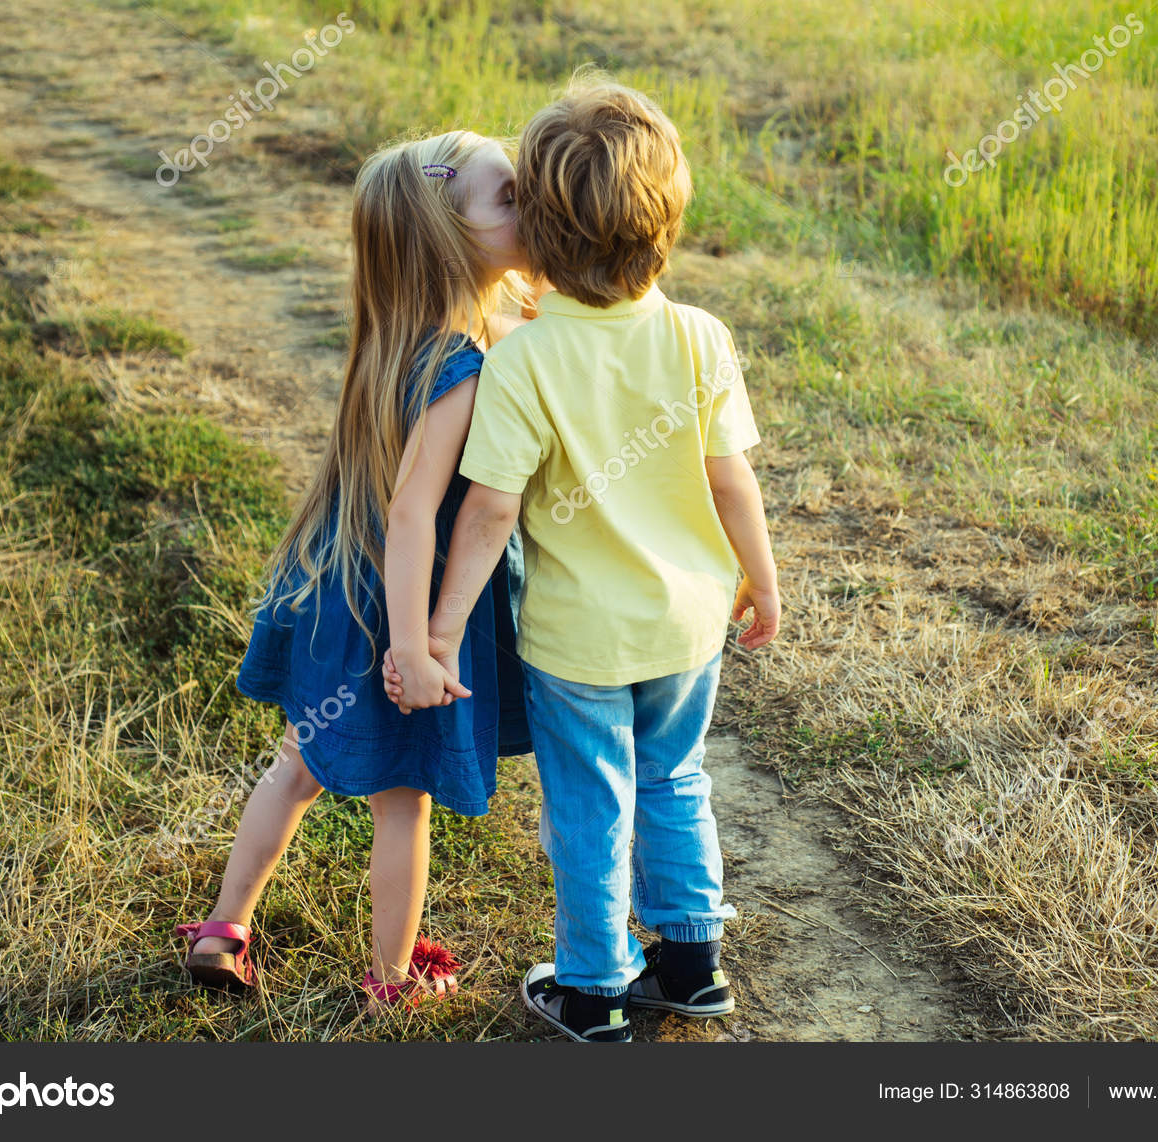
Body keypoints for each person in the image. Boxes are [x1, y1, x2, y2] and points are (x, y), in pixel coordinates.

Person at [386, 74, 781, 1041]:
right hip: (690, 621)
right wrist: (761, 582)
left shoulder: (522, 360)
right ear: (669, 220)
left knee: (589, 803)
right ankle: (692, 967)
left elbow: (488, 512)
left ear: (543, 240)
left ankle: (595, 985)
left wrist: (438, 627)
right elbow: (734, 483)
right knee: (677, 776)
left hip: (576, 642)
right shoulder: (700, 337)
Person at [174, 128, 534, 1015]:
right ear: (448, 239)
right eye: (510, 197)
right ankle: (390, 977)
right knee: (400, 798)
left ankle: (224, 926)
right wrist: (415, 647)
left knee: (296, 763)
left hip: (342, 590)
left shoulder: (397, 340)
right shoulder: (460, 367)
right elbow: (414, 513)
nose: (531, 203)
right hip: (394, 611)